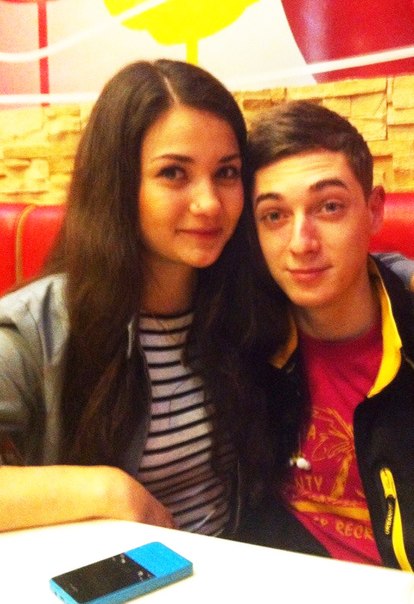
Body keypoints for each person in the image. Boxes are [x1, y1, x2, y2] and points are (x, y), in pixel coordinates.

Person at [0, 59, 267, 535]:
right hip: (119, 573)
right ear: (118, 184)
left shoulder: (242, 301)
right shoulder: (35, 329)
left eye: (226, 172)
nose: (209, 203)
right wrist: (106, 490)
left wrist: (399, 278)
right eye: (174, 173)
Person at [237, 99, 414, 571]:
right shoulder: (243, 342)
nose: (301, 243)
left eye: (329, 207)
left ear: (373, 211)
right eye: (274, 215)